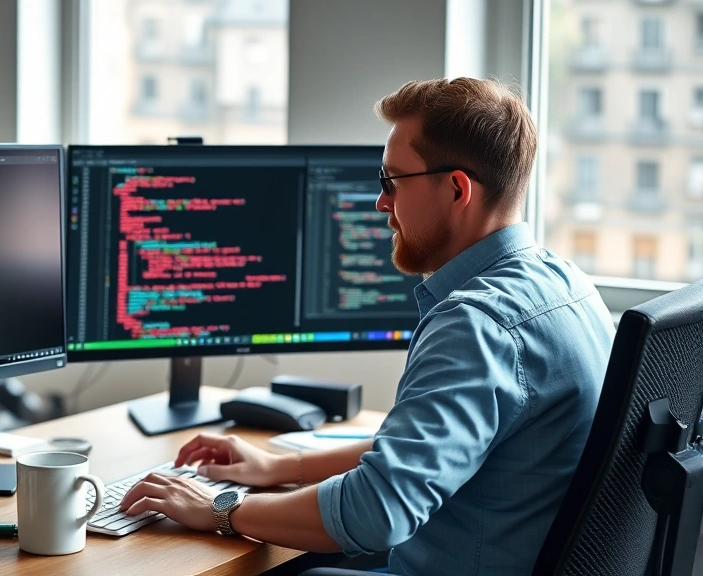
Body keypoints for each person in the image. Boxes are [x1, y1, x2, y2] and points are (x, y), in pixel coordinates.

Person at [118, 77, 616, 576]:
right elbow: (418, 452)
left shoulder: (476, 325)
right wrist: (278, 467)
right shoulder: (567, 285)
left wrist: (220, 508)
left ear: (456, 189)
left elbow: (376, 511)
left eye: (392, 181)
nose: (381, 203)